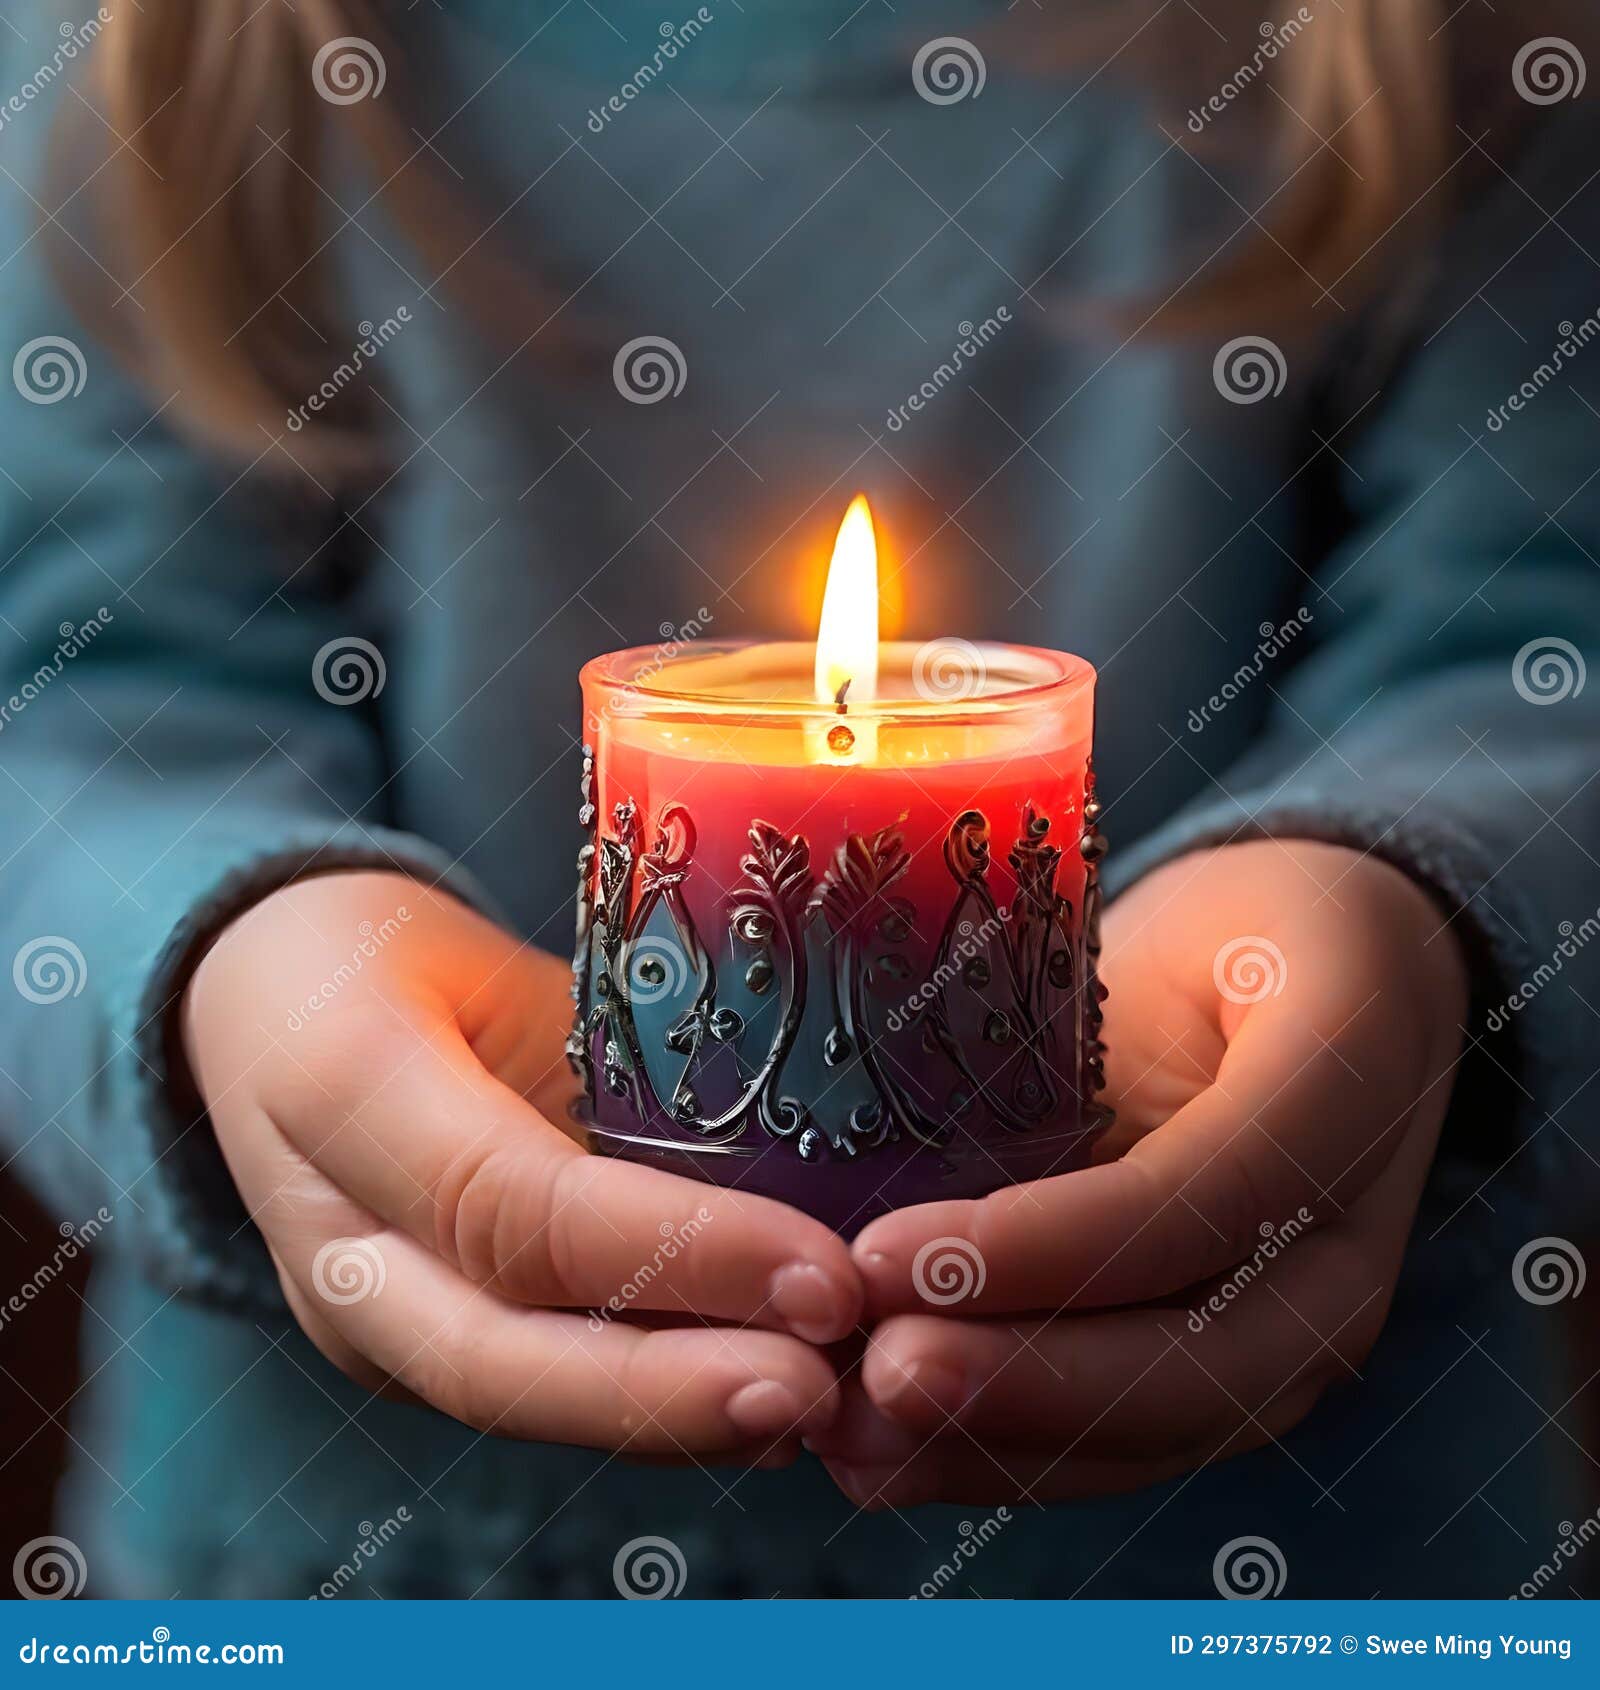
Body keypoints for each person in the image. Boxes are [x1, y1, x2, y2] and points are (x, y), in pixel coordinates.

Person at [2, 0, 1596, 1599]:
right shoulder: (137, 53)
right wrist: (235, 964)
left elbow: (1536, 642)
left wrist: (1401, 912)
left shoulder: (1455, 43)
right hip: (350, 1558)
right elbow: (77, 696)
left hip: (1292, 1561)